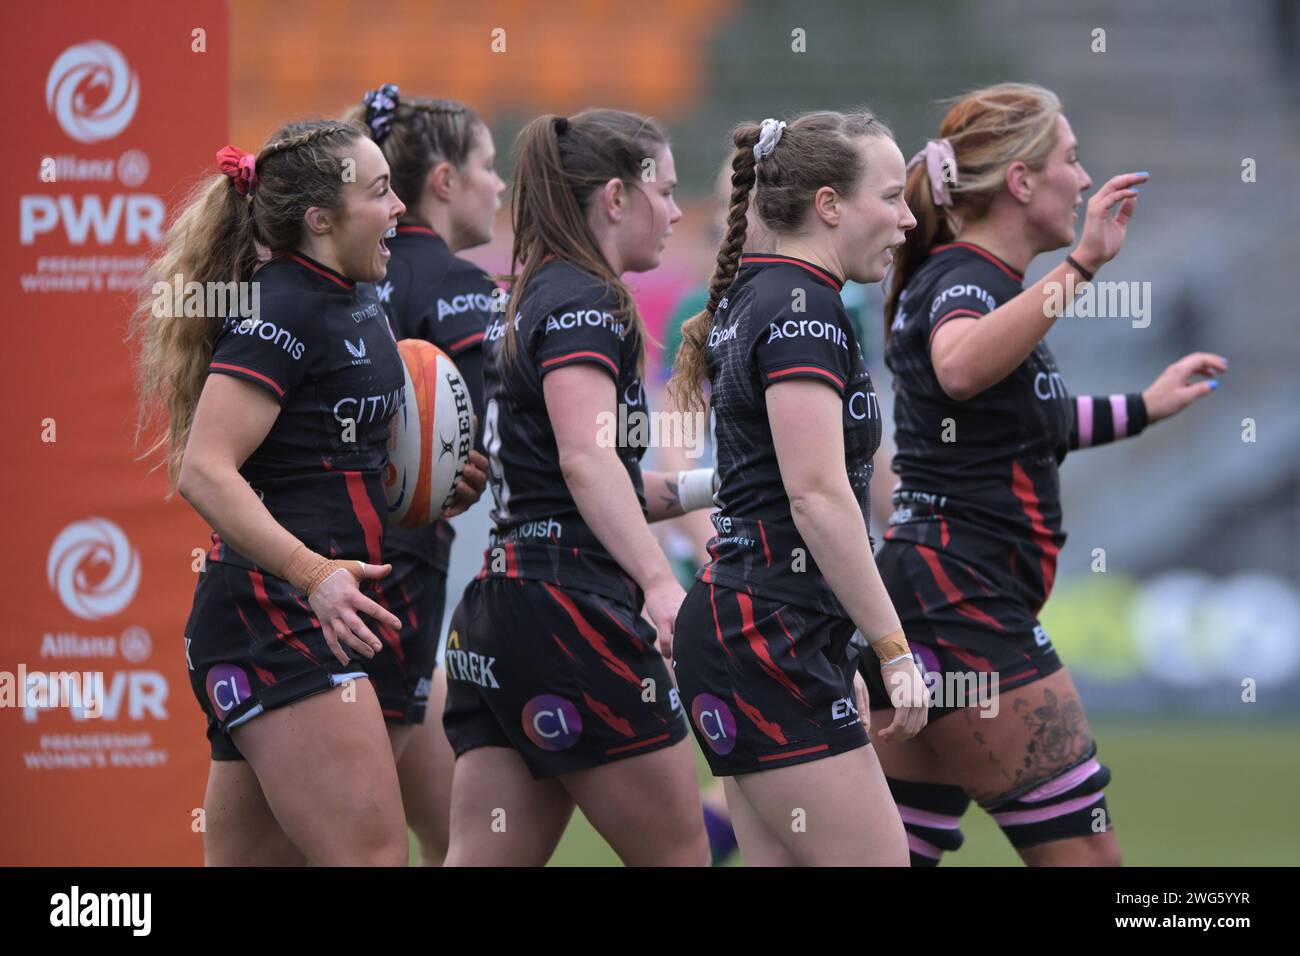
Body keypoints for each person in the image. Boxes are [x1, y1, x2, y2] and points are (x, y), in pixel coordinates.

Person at [863, 82, 1227, 866]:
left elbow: (1028, 426)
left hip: (928, 597)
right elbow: (959, 367)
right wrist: (1086, 264)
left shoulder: (979, 286)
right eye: (1069, 159)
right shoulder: (971, 279)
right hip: (965, 605)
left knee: (901, 852)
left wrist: (1145, 406)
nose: (1086, 178)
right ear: (1021, 181)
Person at [133, 120, 415, 865]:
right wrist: (314, 574)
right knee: (377, 857)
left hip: (292, 618)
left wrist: (431, 483)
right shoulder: (281, 307)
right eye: (379, 191)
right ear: (320, 220)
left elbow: (335, 450)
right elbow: (205, 468)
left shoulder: (352, 296)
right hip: (276, 619)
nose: (399, 209)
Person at [441, 109, 714, 866]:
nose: (677, 211)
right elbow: (586, 464)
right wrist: (660, 582)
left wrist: (715, 486)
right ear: (618, 197)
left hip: (505, 611)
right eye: (666, 189)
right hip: (572, 615)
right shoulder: (587, 300)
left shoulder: (539, 291)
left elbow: (603, 481)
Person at [668, 111, 929, 866]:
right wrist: (893, 649)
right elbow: (816, 496)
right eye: (892, 196)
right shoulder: (804, 308)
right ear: (829, 205)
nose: (909, 219)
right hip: (766, 635)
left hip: (754, 626)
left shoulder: (764, 293)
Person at [347, 83, 497, 866]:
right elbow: (446, 461)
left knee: (446, 835)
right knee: (354, 833)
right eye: (487, 166)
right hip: (396, 570)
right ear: (442, 181)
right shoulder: (459, 286)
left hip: (320, 561)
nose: (500, 188)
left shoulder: (339, 273)